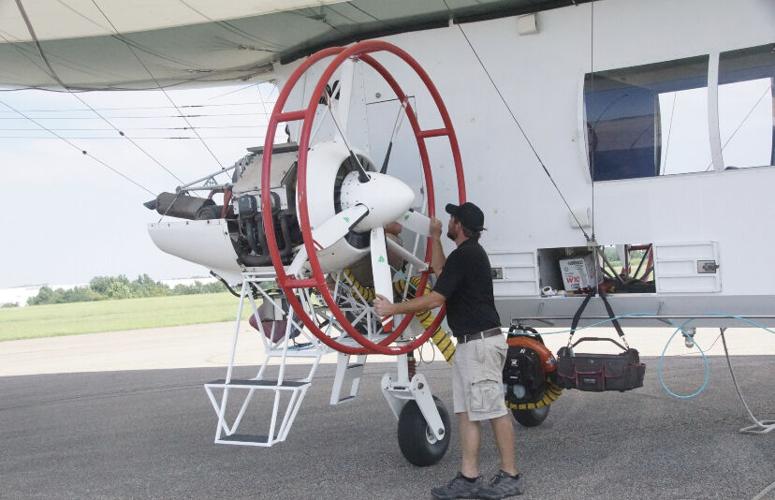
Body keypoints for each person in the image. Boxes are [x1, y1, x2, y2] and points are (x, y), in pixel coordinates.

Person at [374, 202, 522, 500]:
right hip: (470, 345)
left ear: (460, 226)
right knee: (467, 413)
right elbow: (441, 272)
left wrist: (393, 308)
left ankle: (511, 476)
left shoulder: (467, 256)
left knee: (494, 411)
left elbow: (435, 299)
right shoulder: (464, 256)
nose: (448, 220)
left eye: (451, 219)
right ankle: (469, 478)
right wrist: (434, 236)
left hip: (480, 345)